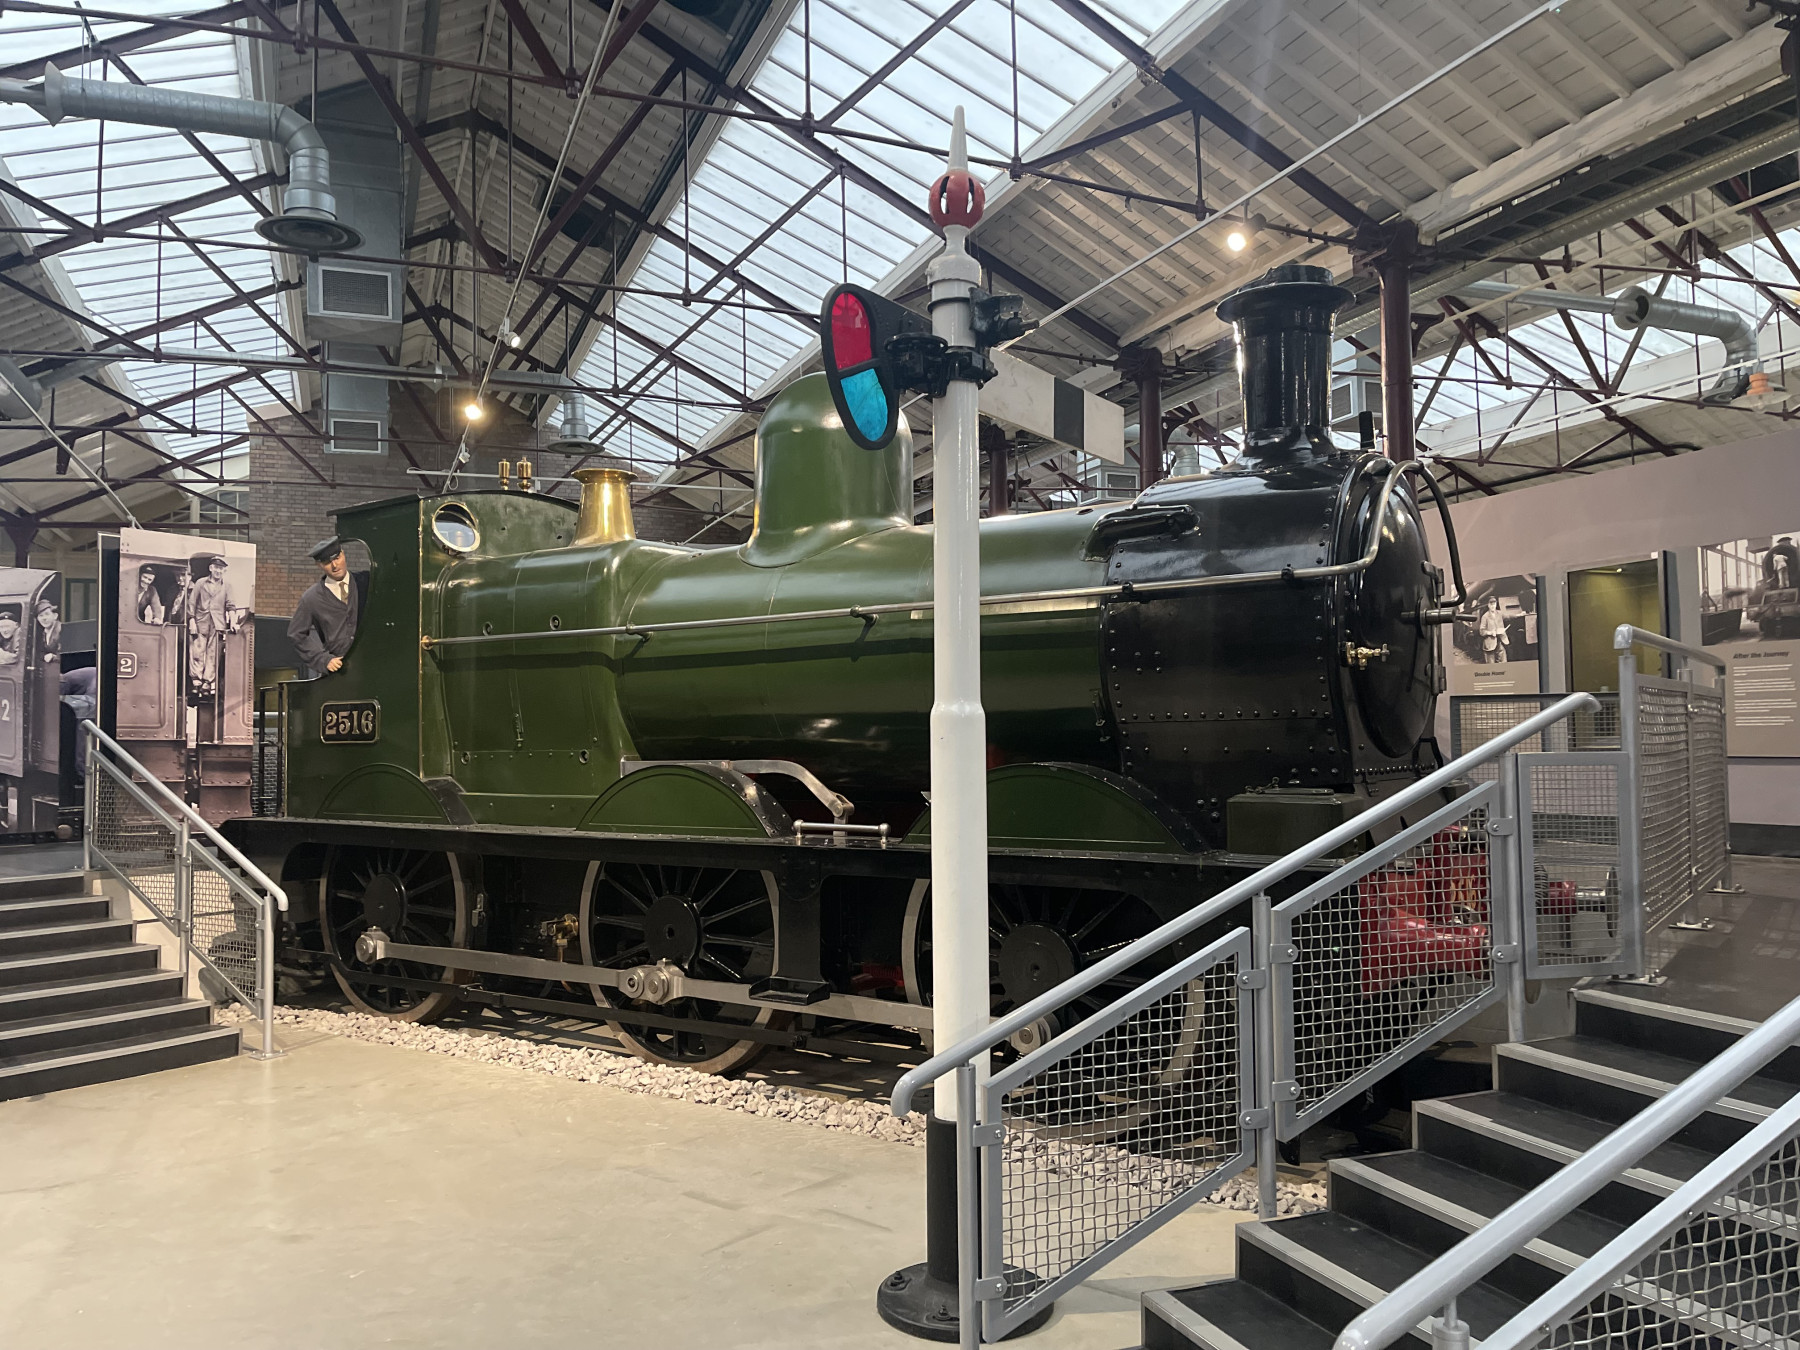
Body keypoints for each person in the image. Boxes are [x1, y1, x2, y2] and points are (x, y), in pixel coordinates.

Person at [288, 536, 361, 678]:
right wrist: (323, 659)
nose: (335, 565)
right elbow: (296, 634)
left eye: (337, 558)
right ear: (319, 565)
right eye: (328, 562)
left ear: (343, 554)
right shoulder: (311, 598)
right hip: (339, 674)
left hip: (371, 666)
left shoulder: (365, 582)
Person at [182, 554, 247, 703]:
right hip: (200, 621)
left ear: (224, 571)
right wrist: (191, 620)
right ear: (211, 568)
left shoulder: (227, 586)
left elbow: (231, 605)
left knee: (212, 654)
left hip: (217, 624)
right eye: (216, 568)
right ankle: (196, 683)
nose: (218, 571)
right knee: (197, 651)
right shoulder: (200, 583)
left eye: (221, 568)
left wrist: (233, 622)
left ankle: (207, 683)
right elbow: (191, 603)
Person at [1477, 595, 1509, 664]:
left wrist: (1518, 615)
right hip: (1490, 644)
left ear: (1496, 604)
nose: (1493, 606)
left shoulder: (1499, 613)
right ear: (1488, 605)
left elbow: (1508, 616)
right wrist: (1491, 633)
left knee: (1503, 662)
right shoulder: (1485, 617)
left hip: (1499, 641)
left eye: (1494, 604)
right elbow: (1481, 631)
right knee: (1491, 665)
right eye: (1491, 604)